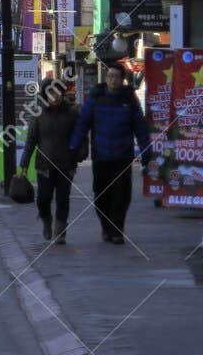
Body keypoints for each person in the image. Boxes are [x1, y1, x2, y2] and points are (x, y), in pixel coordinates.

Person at [69, 64, 153, 244]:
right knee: (101, 195)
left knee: (122, 195)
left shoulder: (129, 98)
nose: (112, 80)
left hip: (123, 155)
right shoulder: (96, 96)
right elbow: (83, 123)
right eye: (110, 76)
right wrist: (74, 147)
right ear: (106, 78)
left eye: (116, 77)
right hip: (101, 155)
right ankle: (106, 227)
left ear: (122, 79)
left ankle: (116, 230)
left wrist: (147, 152)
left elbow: (140, 127)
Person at [21, 77, 83, 243]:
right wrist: (24, 164)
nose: (55, 96)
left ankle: (60, 230)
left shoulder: (71, 113)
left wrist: (79, 155)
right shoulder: (38, 113)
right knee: (43, 198)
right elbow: (31, 140)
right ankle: (47, 220)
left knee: (63, 198)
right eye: (51, 93)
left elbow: (81, 137)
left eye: (58, 92)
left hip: (66, 164)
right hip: (44, 165)